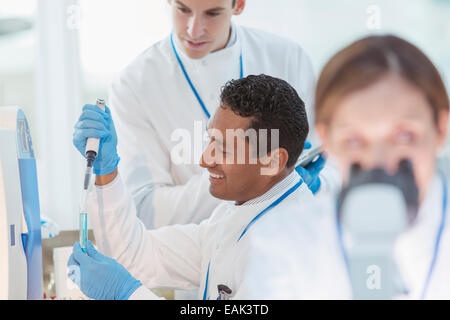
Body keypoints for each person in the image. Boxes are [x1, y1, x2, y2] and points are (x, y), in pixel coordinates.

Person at [239, 35, 450, 299]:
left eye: (404, 136)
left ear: (441, 129)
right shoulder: (282, 242)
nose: (379, 162)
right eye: (354, 140)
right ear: (326, 140)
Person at [68, 74, 315, 300]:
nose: (205, 159)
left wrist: (127, 294)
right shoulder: (234, 215)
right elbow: (137, 256)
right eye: (211, 141)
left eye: (224, 149)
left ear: (272, 161)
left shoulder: (288, 248)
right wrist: (106, 170)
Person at [104, 0, 339, 229]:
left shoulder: (288, 57)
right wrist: (257, 176)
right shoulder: (134, 84)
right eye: (183, 9)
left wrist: (318, 186)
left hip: (286, 241)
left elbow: (332, 164)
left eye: (212, 13)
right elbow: (146, 210)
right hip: (193, 257)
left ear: (238, 5)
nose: (193, 30)